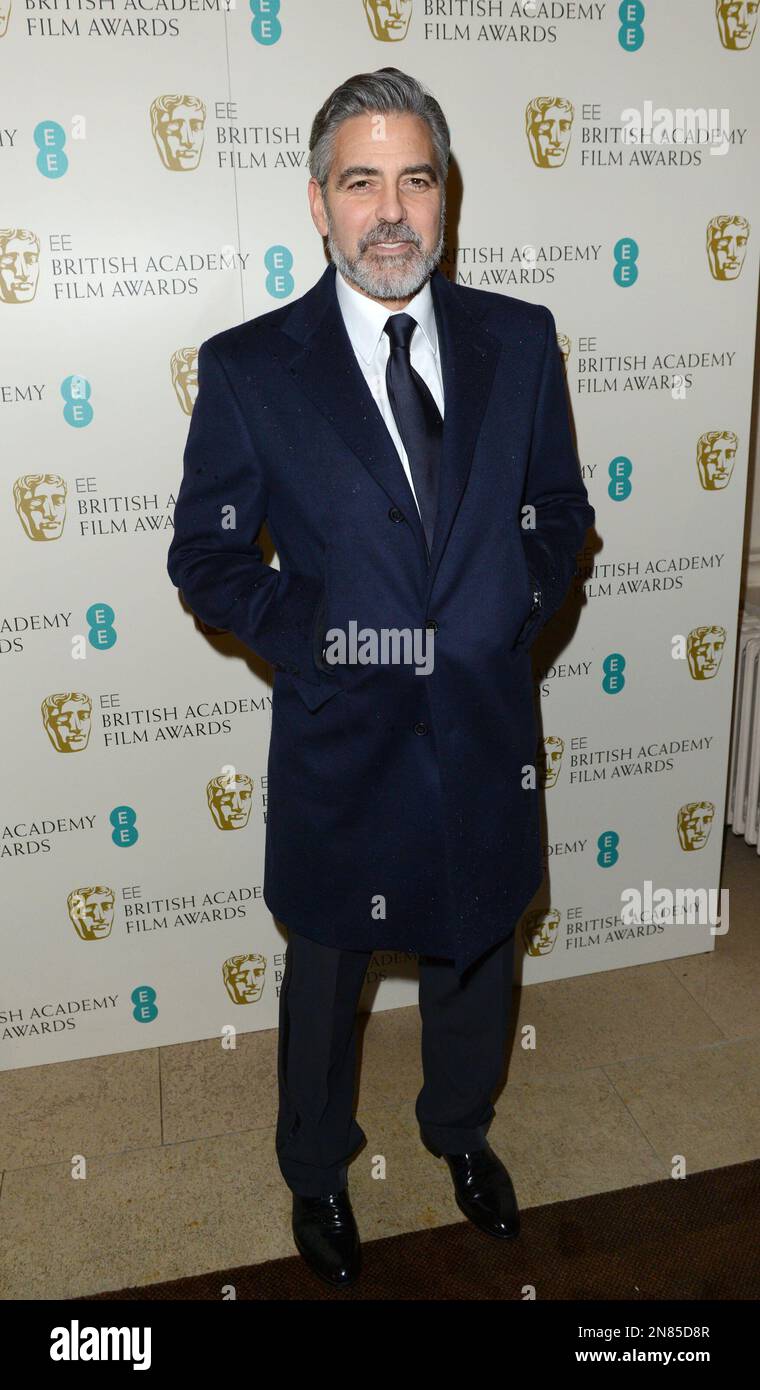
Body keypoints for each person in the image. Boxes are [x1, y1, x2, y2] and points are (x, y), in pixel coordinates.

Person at [167, 66, 595, 1289]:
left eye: (416, 178)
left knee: (476, 949)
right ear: (317, 202)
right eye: (363, 181)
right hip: (339, 736)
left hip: (480, 724)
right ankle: (315, 1168)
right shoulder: (252, 367)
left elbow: (558, 508)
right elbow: (205, 552)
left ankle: (458, 1132)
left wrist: (518, 596)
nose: (392, 209)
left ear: (444, 195)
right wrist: (312, 634)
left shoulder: (519, 340)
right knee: (327, 974)